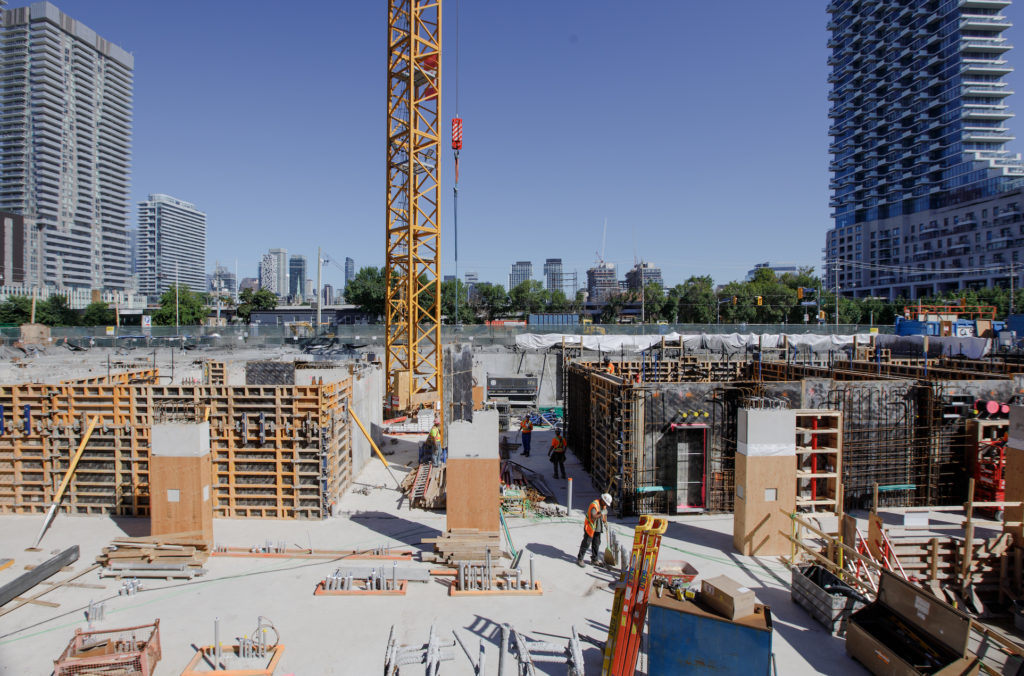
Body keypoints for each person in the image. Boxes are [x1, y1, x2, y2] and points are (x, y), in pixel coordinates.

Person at [577, 493, 612, 567]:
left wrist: (605, 522)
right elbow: (593, 517)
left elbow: (604, 515)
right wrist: (602, 513)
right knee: (586, 543)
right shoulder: (594, 505)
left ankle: (594, 560)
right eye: (605, 502)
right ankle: (580, 559)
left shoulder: (603, 505)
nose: (605, 504)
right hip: (590, 527)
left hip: (598, 527)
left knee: (596, 543)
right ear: (602, 500)